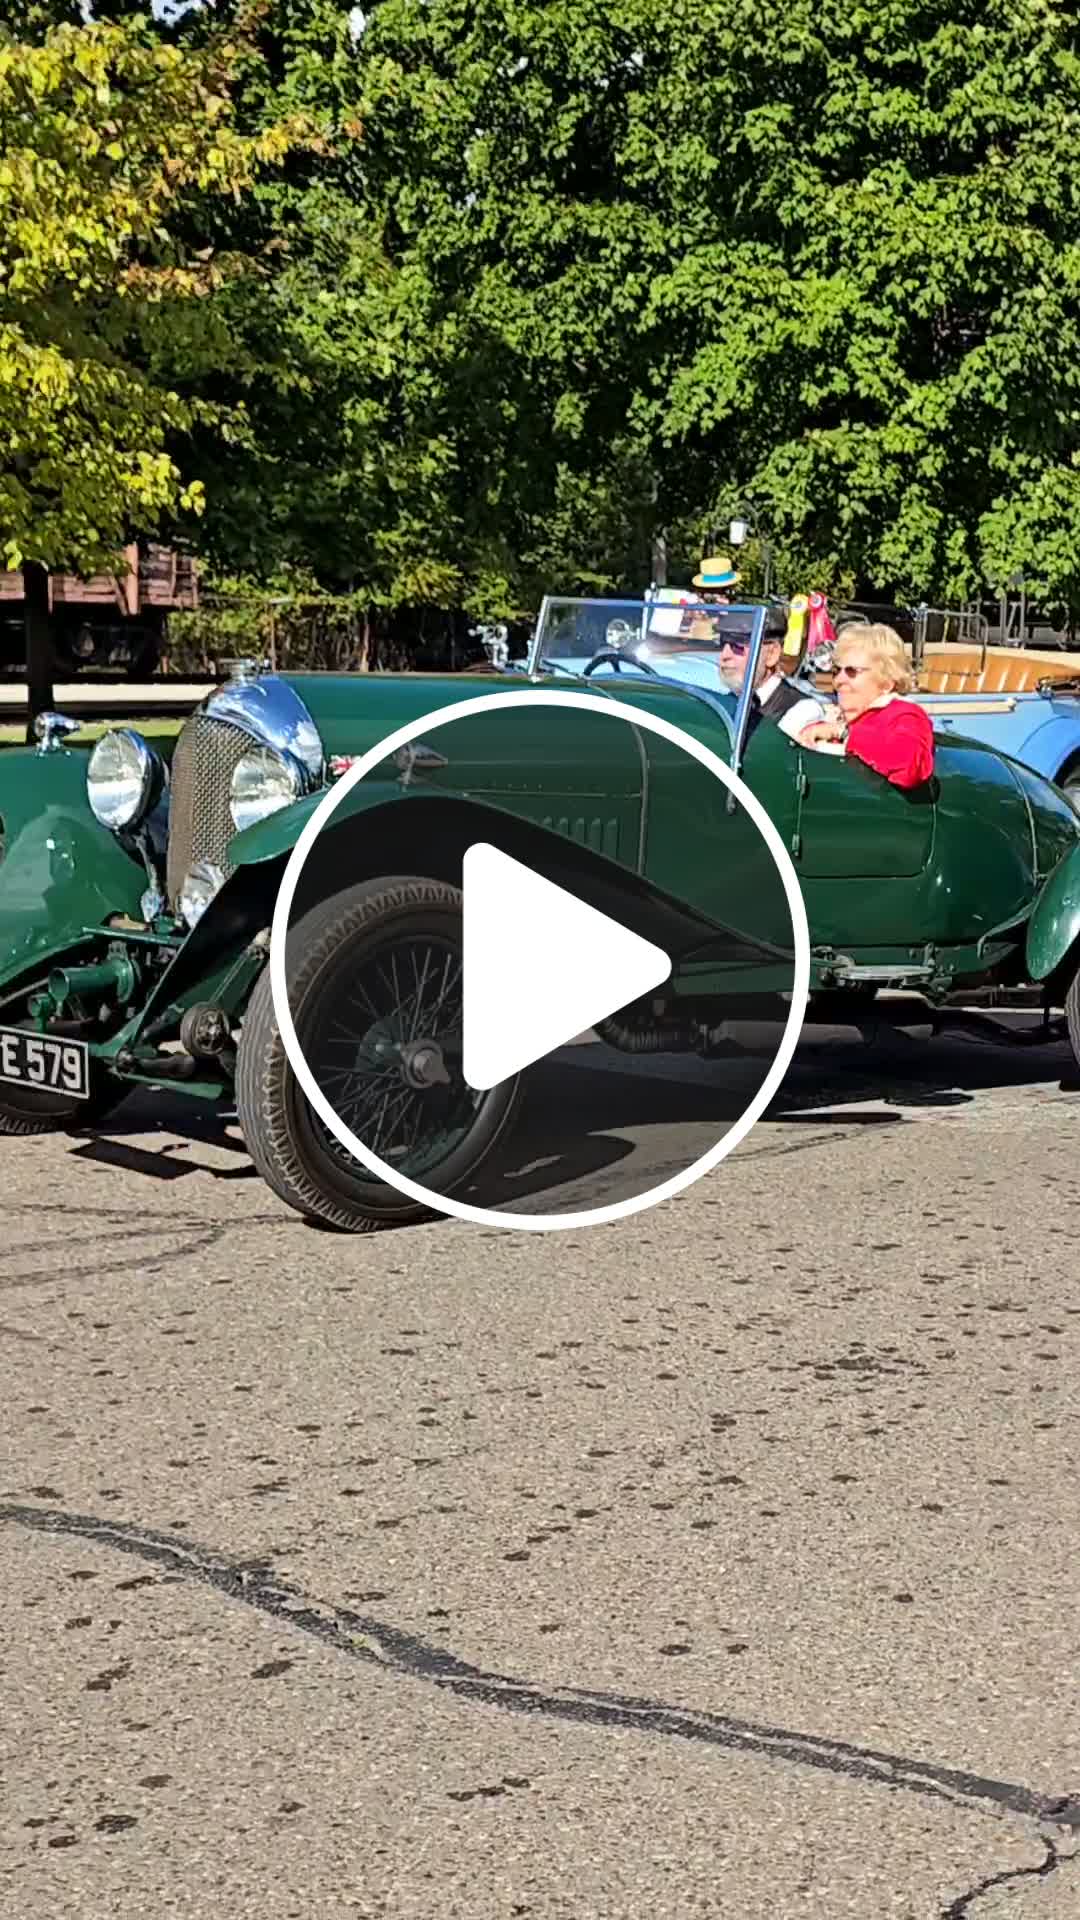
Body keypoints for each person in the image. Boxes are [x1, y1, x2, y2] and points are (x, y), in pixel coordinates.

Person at [798, 623, 934, 789]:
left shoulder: (905, 715)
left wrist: (843, 733)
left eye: (852, 672)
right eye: (836, 671)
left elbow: (908, 766)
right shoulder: (830, 718)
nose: (839, 681)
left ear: (886, 682)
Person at [718, 607, 829, 740]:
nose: (724, 655)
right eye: (722, 643)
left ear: (772, 654)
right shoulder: (729, 700)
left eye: (738, 646)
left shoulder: (803, 711)